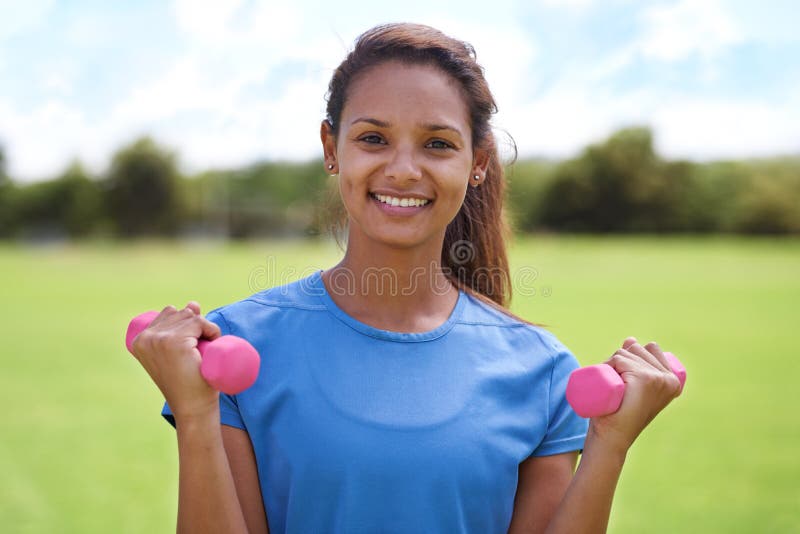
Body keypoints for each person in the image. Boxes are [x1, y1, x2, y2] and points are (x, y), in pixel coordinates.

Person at [129, 23, 683, 534]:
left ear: (478, 161)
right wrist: (197, 415)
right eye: (373, 138)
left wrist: (608, 445)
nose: (402, 169)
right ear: (331, 148)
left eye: (437, 144)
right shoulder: (234, 349)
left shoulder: (541, 371)